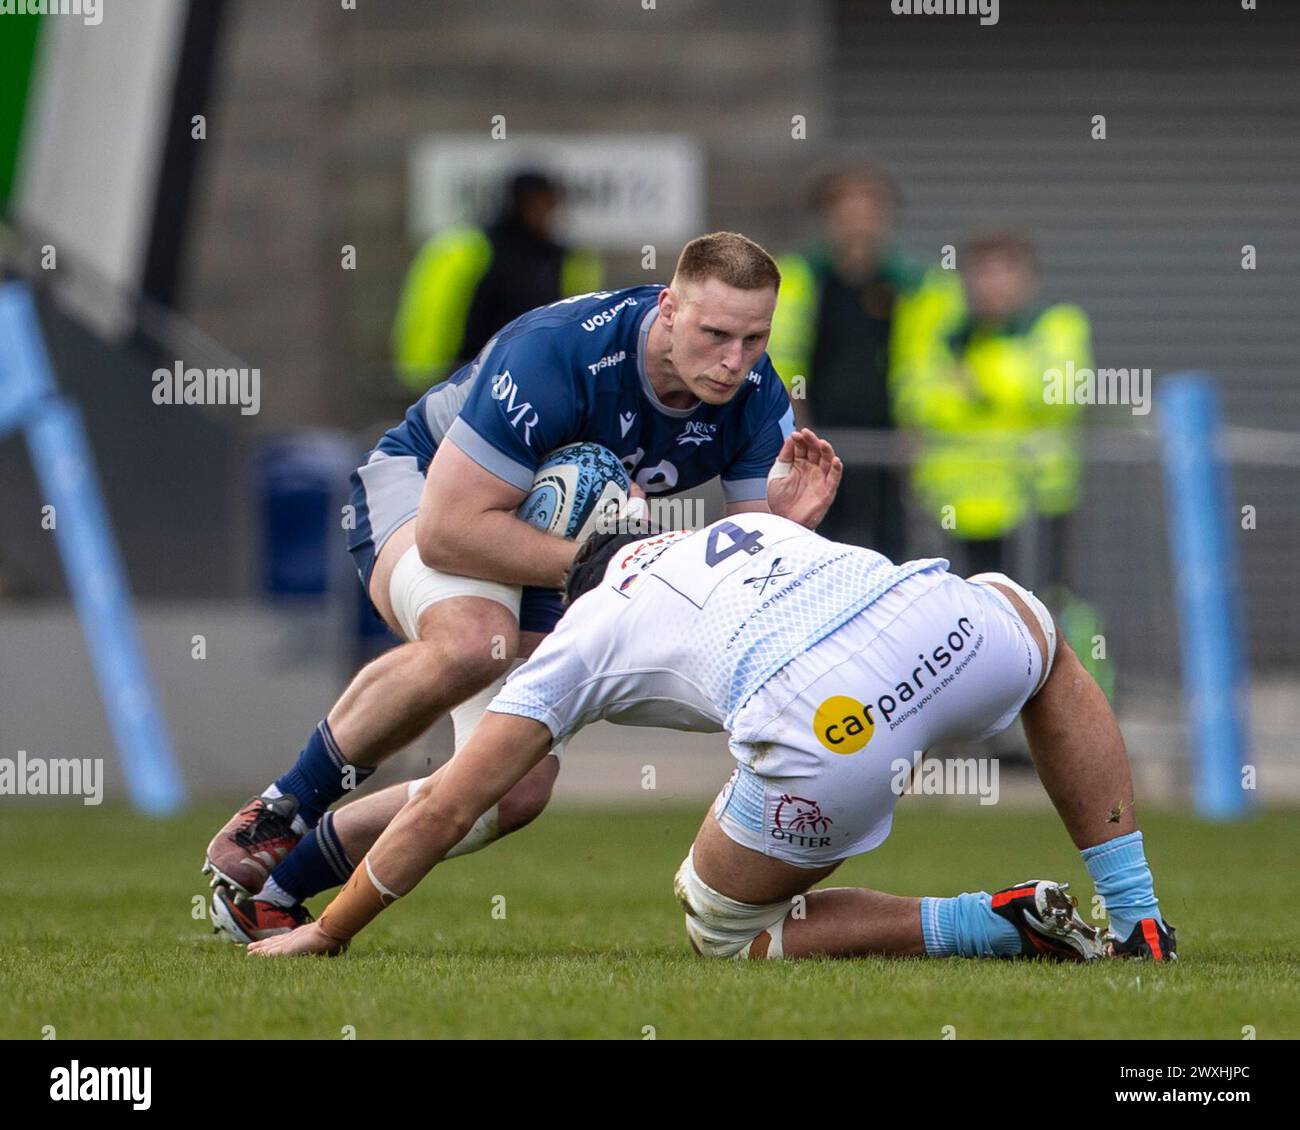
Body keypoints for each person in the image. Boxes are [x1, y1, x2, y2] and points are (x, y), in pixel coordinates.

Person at [203, 233, 842, 937]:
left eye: (754, 339)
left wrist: (787, 533)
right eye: (715, 333)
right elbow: (448, 532)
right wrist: (604, 558)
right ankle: (282, 808)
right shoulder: (557, 353)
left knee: (511, 787)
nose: (734, 361)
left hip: (559, 532)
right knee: (478, 641)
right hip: (426, 490)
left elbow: (746, 579)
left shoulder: (757, 395)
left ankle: (273, 892)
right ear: (667, 308)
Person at [244, 510, 1175, 965]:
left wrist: (328, 932)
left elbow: (448, 804)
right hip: (933, 618)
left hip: (828, 721)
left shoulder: (582, 631)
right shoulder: (745, 522)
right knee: (1044, 642)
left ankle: (993, 923)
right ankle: (1137, 915)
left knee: (727, 929)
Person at [893, 230, 1092, 583]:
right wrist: (996, 392)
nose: (993, 284)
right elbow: (918, 400)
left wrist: (975, 385)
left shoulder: (1058, 324)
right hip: (955, 507)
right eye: (983, 273)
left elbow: (1058, 394)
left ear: (1029, 279)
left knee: (1043, 611)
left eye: (1005, 272)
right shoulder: (947, 335)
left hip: (1035, 503)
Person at [766, 166, 932, 561]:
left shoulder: (914, 285)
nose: (858, 223)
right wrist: (797, 422)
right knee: (817, 547)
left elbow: (924, 366)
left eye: (869, 211)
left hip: (887, 448)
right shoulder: (801, 277)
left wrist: (915, 431)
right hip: (817, 442)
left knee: (891, 547)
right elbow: (782, 356)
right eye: (846, 211)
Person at [391, 170, 602, 391]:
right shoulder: (470, 250)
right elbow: (433, 313)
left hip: (533, 383)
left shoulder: (566, 259)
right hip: (466, 382)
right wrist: (425, 379)